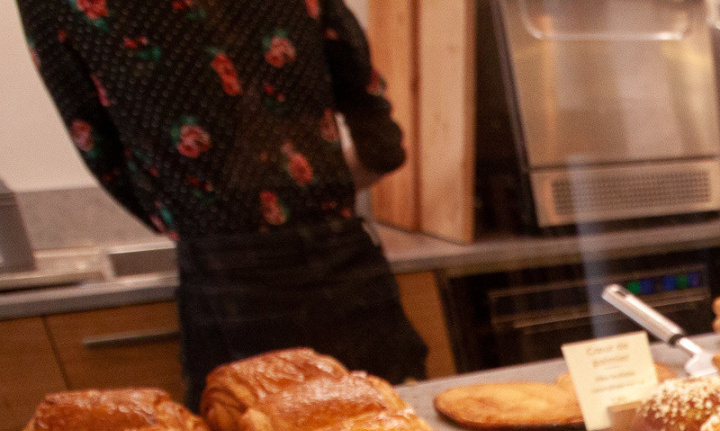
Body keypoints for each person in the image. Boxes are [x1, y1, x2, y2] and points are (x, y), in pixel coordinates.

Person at [18, 0, 428, 406]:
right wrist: (316, 195)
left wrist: (206, 218)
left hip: (225, 279)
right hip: (346, 265)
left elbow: (99, 147)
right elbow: (381, 147)